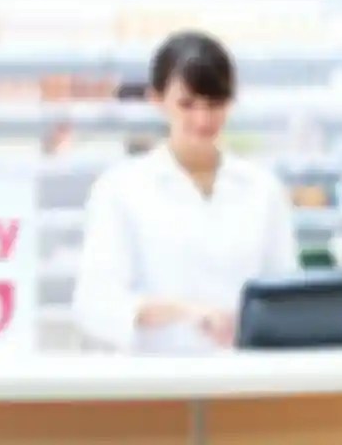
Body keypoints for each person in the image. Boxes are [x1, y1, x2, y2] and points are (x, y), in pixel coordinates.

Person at [71, 31, 298, 354]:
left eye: (215, 104)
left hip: (245, 374)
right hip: (159, 375)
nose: (202, 119)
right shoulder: (121, 189)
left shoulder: (263, 190)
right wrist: (182, 312)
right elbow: (94, 304)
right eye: (187, 104)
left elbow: (286, 294)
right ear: (157, 99)